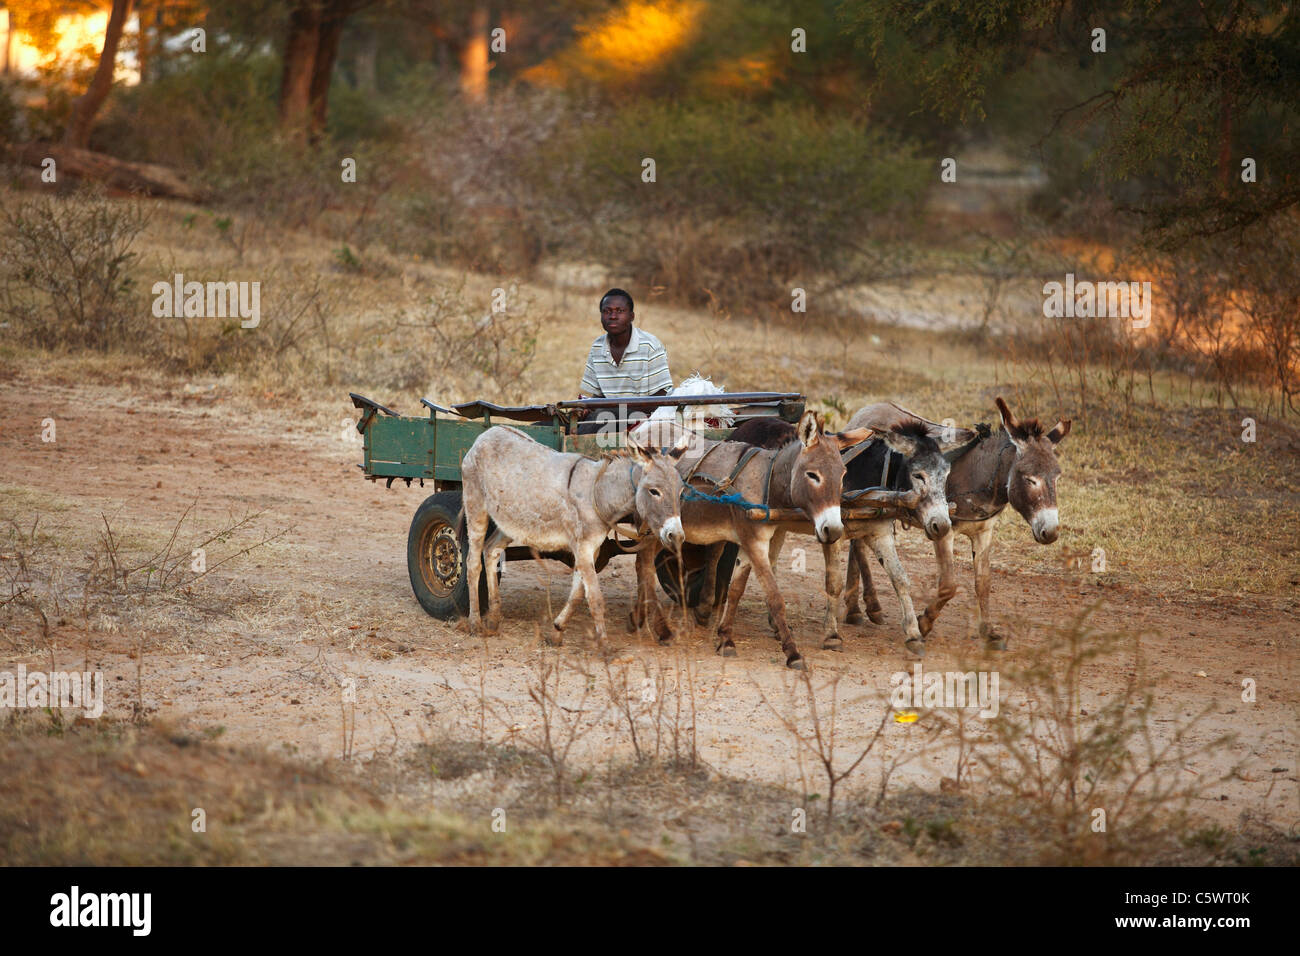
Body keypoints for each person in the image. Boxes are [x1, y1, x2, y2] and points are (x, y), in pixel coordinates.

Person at [575, 289, 672, 435]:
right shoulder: (597, 347)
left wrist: (613, 409)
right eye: (607, 311)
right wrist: (588, 407)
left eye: (620, 311)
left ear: (631, 316)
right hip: (605, 416)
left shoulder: (650, 345)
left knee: (599, 419)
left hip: (644, 418)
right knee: (550, 424)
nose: (613, 316)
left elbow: (662, 395)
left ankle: (574, 449)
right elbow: (599, 396)